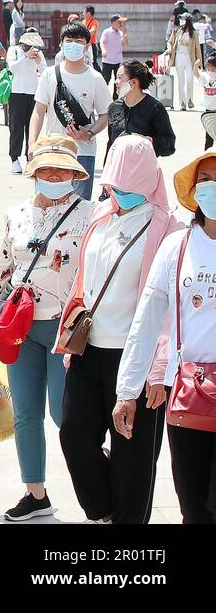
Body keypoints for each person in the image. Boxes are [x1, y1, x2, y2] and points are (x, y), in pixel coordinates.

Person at [56, 135, 183, 524]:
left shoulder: (170, 228)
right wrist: (70, 330)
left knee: (134, 458)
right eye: (113, 184)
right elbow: (83, 280)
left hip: (138, 360)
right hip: (90, 349)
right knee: (74, 437)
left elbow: (168, 309)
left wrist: (159, 369)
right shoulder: (101, 215)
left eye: (127, 186)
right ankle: (104, 509)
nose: (118, 192)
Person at [0, 136, 93, 521]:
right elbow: (5, 269)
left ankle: (99, 476)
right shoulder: (16, 214)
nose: (54, 175)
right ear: (34, 172)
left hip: (66, 331)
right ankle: (35, 493)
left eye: (62, 169)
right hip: (20, 328)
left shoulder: (91, 215)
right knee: (27, 413)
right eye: (46, 168)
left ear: (76, 174)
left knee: (66, 416)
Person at [111, 150, 216, 522]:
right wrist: (128, 391)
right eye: (206, 180)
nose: (213, 187)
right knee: (193, 504)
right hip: (188, 394)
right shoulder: (177, 247)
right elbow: (146, 322)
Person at [29, 22, 112, 201]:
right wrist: (31, 143)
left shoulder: (95, 78)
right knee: (46, 203)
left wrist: (89, 133)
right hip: (53, 149)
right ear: (61, 44)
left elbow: (106, 114)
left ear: (87, 46)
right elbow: (38, 111)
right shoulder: (49, 75)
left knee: (78, 207)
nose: (73, 44)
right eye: (69, 40)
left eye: (78, 41)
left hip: (83, 152)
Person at [104, 59, 176, 160]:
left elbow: (169, 144)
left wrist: (150, 142)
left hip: (143, 169)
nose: (116, 82)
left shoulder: (155, 108)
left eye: (120, 77)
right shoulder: (113, 108)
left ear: (133, 82)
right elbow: (111, 144)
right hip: (118, 169)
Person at [6, 29, 47, 174]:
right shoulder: (14, 50)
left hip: (34, 93)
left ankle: (30, 157)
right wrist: (25, 57)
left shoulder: (38, 53)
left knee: (32, 127)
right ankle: (14, 158)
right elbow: (12, 68)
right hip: (16, 93)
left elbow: (45, 72)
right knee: (16, 127)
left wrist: (38, 61)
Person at [168, 12, 200, 111]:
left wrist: (199, 60)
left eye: (183, 19)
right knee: (181, 80)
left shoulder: (194, 33)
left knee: (190, 79)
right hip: (179, 57)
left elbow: (197, 47)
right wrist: (169, 49)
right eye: (180, 19)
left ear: (187, 21)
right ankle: (182, 102)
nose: (181, 21)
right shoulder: (177, 31)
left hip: (190, 58)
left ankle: (190, 99)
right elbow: (170, 42)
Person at [100, 14, 128, 86]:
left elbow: (125, 46)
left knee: (118, 80)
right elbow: (102, 42)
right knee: (106, 80)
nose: (120, 24)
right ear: (113, 22)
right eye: (119, 22)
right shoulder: (106, 32)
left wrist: (125, 35)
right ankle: (103, 96)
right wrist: (103, 50)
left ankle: (116, 96)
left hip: (118, 61)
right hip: (107, 60)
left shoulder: (121, 33)